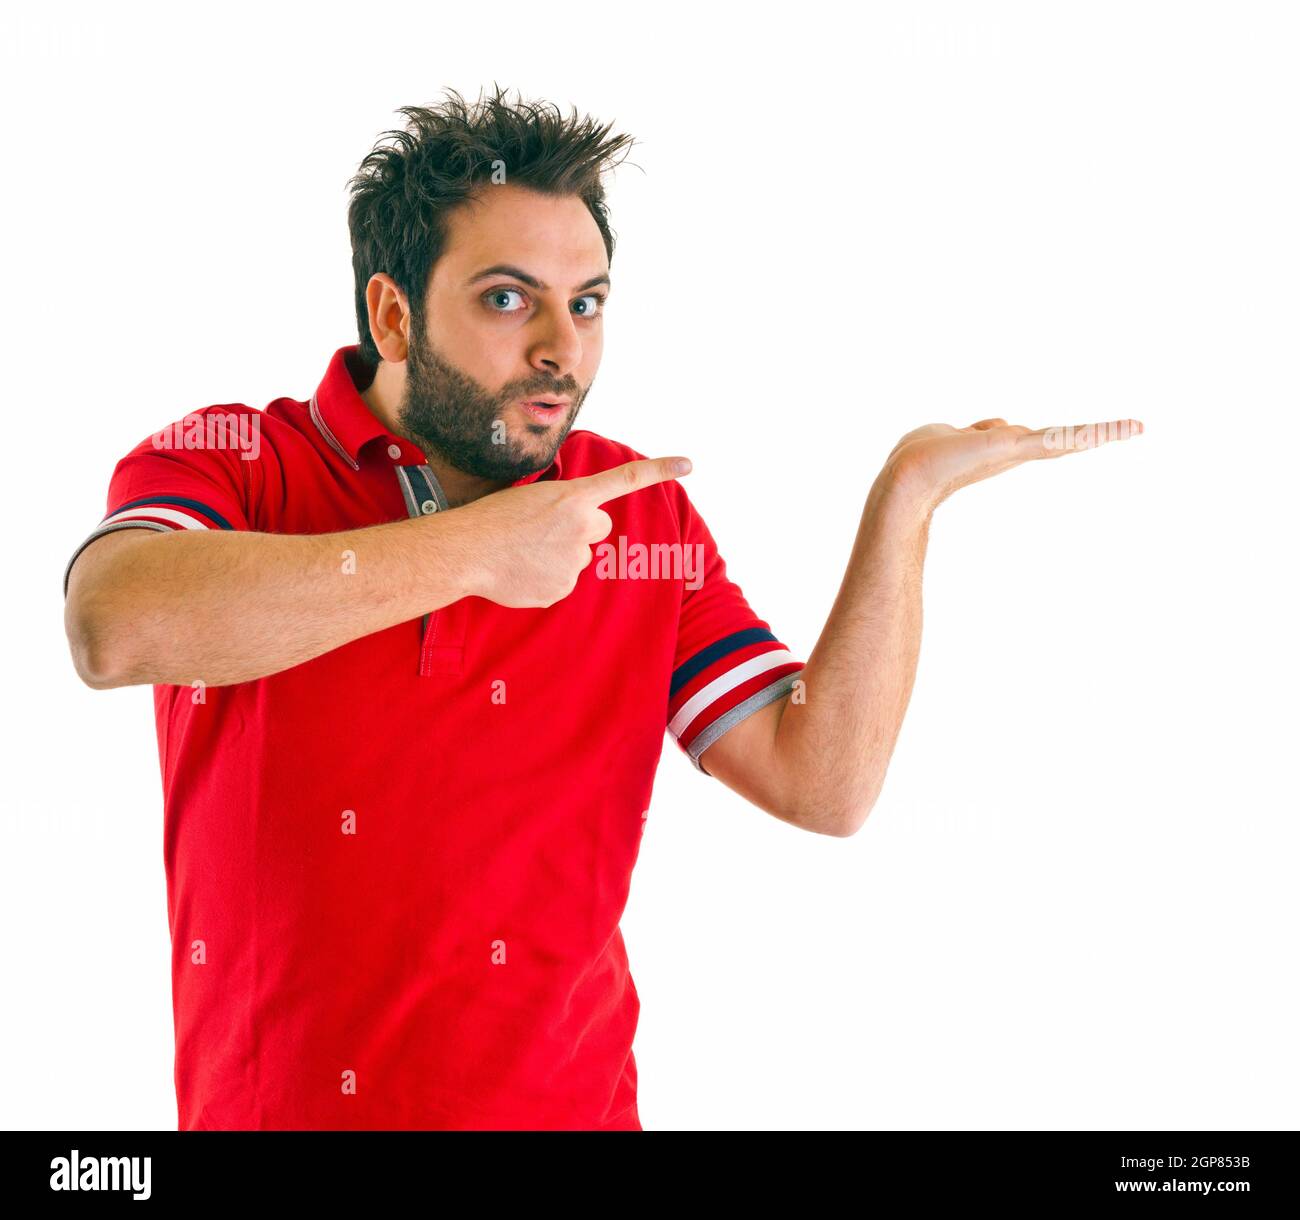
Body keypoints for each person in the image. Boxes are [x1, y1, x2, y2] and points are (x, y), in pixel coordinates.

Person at [62, 86, 1142, 1131]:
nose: (560, 349)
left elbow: (825, 783)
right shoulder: (237, 461)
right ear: (392, 312)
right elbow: (115, 624)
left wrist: (905, 498)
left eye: (585, 303)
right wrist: (473, 552)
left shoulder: (636, 510)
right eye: (506, 297)